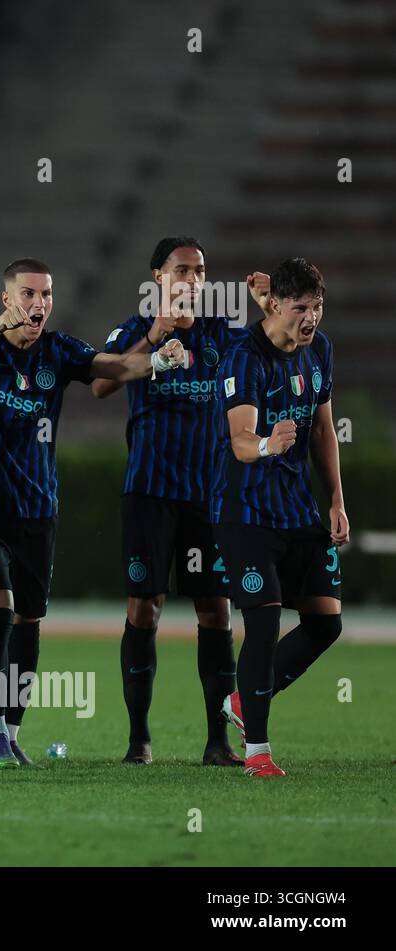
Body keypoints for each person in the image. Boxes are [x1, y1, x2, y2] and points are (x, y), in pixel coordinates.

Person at [0, 257, 185, 768]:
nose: (39, 304)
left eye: (46, 295)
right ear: (8, 298)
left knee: (29, 620)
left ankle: (11, 734)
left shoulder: (59, 350)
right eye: (29, 294)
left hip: (35, 507)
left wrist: (159, 361)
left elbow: (113, 367)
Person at [91, 236, 252, 766]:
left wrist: (273, 304)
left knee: (216, 611)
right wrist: (155, 338)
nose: (192, 278)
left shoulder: (221, 333)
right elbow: (100, 384)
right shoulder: (134, 329)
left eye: (200, 270)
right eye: (182, 269)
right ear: (157, 276)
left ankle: (218, 741)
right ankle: (139, 739)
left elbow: (262, 356)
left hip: (207, 497)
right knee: (144, 608)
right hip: (150, 494)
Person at [213, 259, 346, 777]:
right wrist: (269, 442)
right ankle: (257, 753)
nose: (311, 317)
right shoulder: (242, 358)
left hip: (298, 511)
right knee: (264, 623)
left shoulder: (321, 351)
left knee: (326, 623)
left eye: (317, 307)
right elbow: (241, 441)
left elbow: (323, 433)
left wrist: (336, 500)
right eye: (300, 307)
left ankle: (245, 700)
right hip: (246, 513)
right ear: (275, 305)